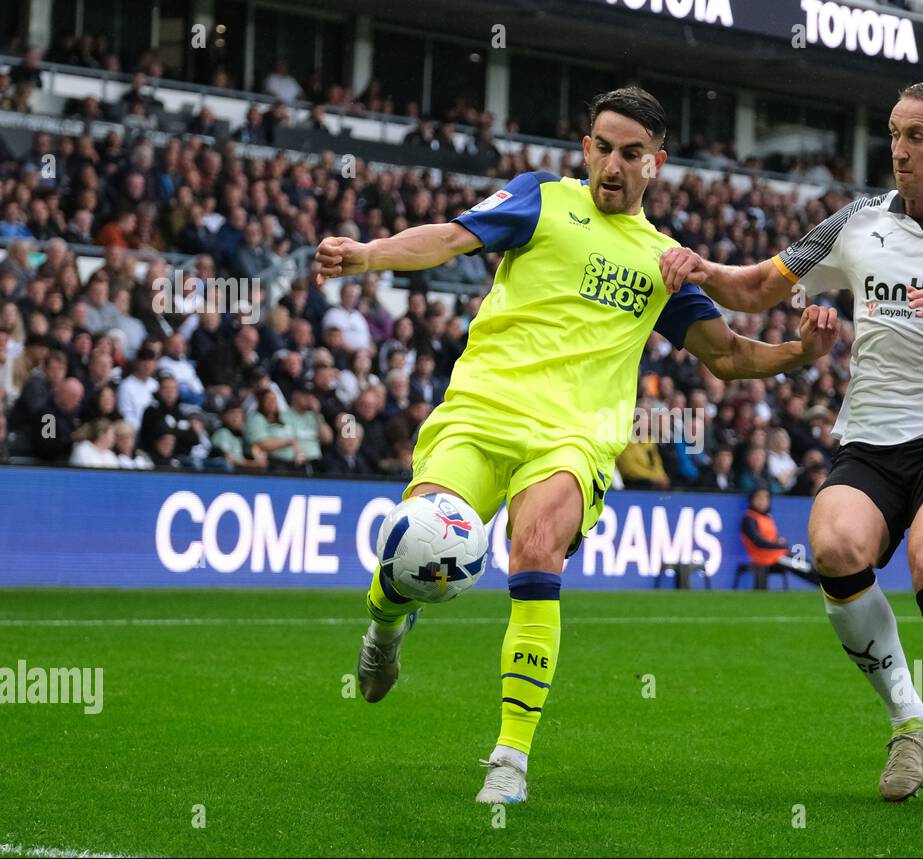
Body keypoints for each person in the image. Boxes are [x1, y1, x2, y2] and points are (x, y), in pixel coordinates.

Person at [314, 86, 838, 806]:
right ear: (585, 146)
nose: (611, 163)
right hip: (477, 414)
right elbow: (452, 235)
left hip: (571, 439)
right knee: (409, 553)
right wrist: (369, 255)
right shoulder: (540, 198)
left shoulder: (665, 260)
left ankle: (510, 755)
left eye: (630, 153)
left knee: (534, 550)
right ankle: (383, 625)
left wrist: (800, 355)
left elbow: (728, 356)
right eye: (600, 145)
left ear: (656, 163)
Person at [661, 78, 923, 819]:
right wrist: (702, 270)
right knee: (835, 546)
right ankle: (908, 718)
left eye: (917, 136)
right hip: (871, 437)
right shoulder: (856, 222)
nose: (899, 150)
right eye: (893, 133)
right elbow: (759, 287)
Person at [739, 488, 819, 589]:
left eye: (765, 498)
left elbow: (770, 537)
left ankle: (825, 587)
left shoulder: (767, 517)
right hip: (766, 557)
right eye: (759, 498)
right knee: (805, 567)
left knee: (807, 565)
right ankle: (826, 587)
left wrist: (778, 539)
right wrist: (779, 545)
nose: (762, 502)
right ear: (752, 500)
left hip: (776, 555)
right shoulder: (749, 518)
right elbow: (758, 541)